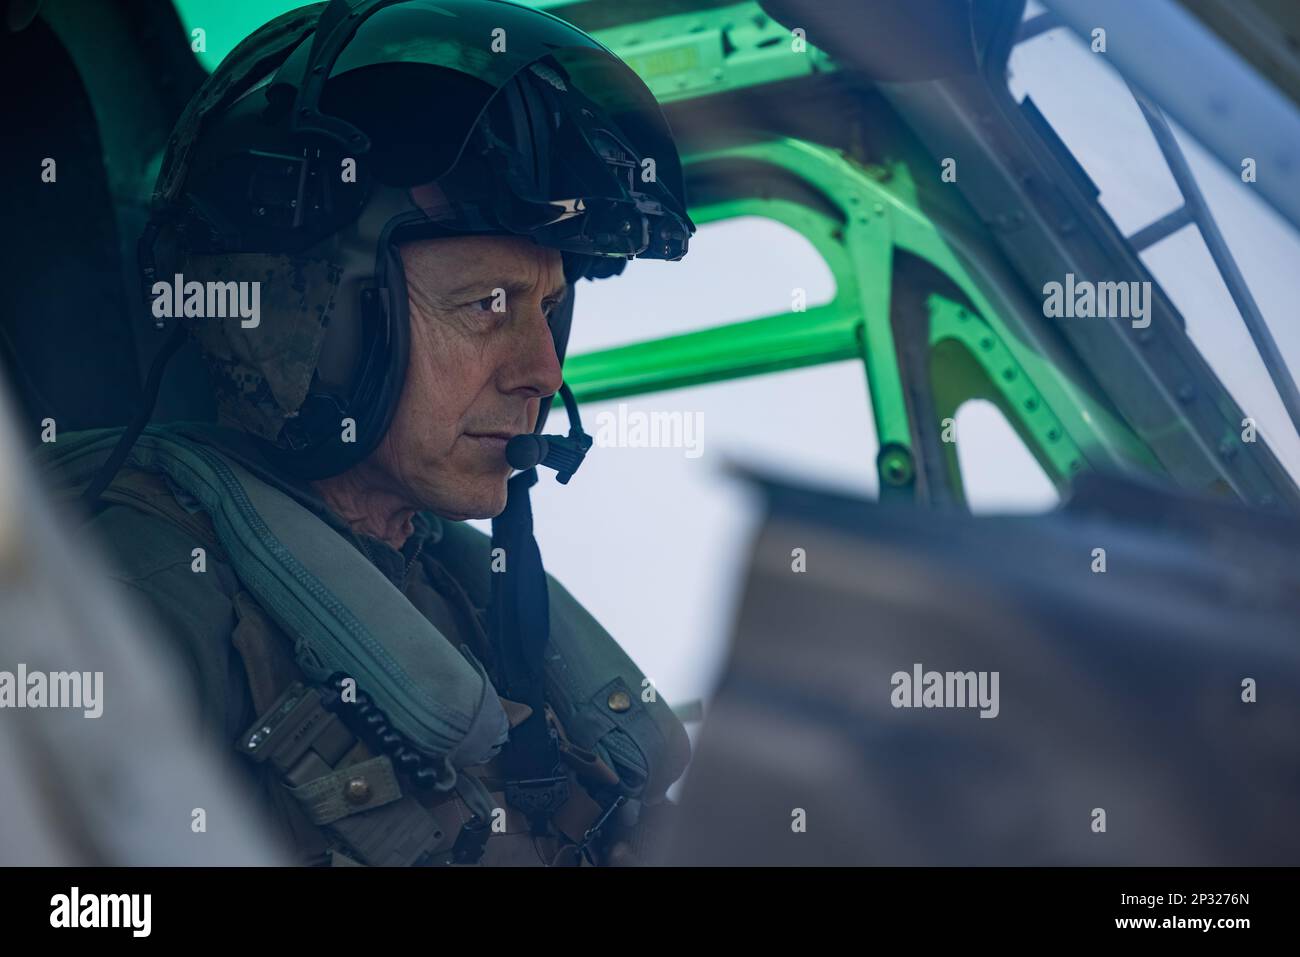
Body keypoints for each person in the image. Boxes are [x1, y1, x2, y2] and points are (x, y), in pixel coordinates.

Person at [45, 0, 696, 866]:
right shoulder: (138, 605)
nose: (543, 371)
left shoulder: (454, 590)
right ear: (312, 322)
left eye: (548, 308)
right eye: (487, 304)